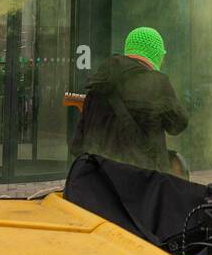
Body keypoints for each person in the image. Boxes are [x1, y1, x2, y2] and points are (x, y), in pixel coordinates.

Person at [70, 27, 188, 173]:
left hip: (96, 184)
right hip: (141, 184)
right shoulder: (157, 83)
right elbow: (178, 125)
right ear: (156, 54)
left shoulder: (97, 84)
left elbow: (76, 145)